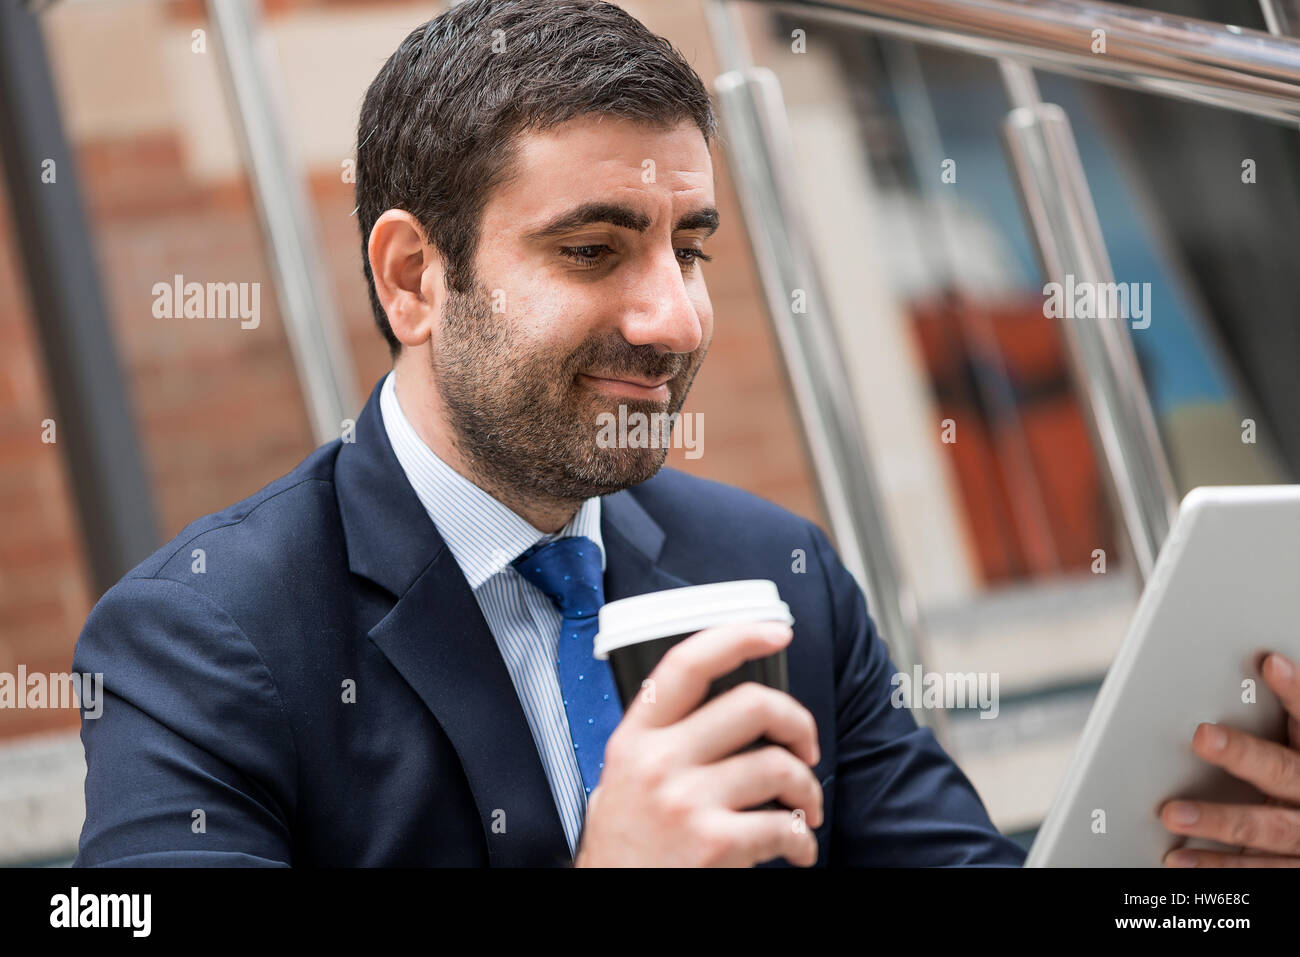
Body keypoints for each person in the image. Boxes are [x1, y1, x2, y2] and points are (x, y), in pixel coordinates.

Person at [73, 0, 1300, 868]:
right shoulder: (204, 638)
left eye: (691, 248)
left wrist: (1198, 883)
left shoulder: (777, 572)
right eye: (591, 250)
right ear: (413, 278)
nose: (674, 319)